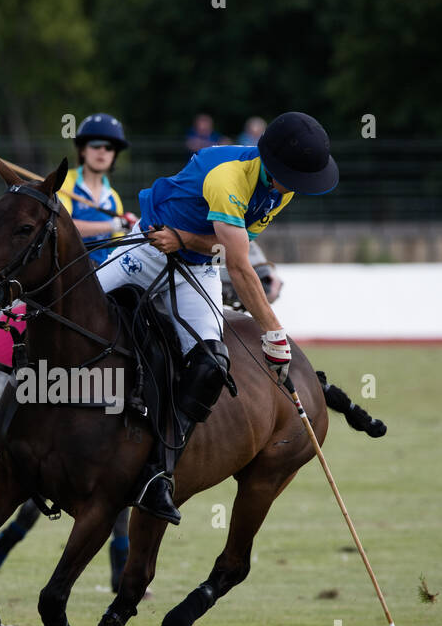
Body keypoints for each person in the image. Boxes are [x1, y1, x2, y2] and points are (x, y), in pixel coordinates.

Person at [95, 111, 339, 524]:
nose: (294, 188)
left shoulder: (283, 190)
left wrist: (186, 239)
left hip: (198, 266)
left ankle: (158, 472)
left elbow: (226, 249)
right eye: (291, 177)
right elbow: (241, 269)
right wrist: (273, 333)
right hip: (150, 248)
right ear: (272, 163)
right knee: (77, 313)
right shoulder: (228, 177)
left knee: (211, 362)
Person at [57, 113, 138, 267]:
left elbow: (116, 246)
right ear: (82, 150)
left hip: (103, 273)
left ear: (114, 155)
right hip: (67, 272)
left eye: (109, 147)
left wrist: (133, 228)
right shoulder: (65, 182)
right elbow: (61, 227)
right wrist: (112, 225)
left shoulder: (114, 197)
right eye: (95, 145)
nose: (102, 151)